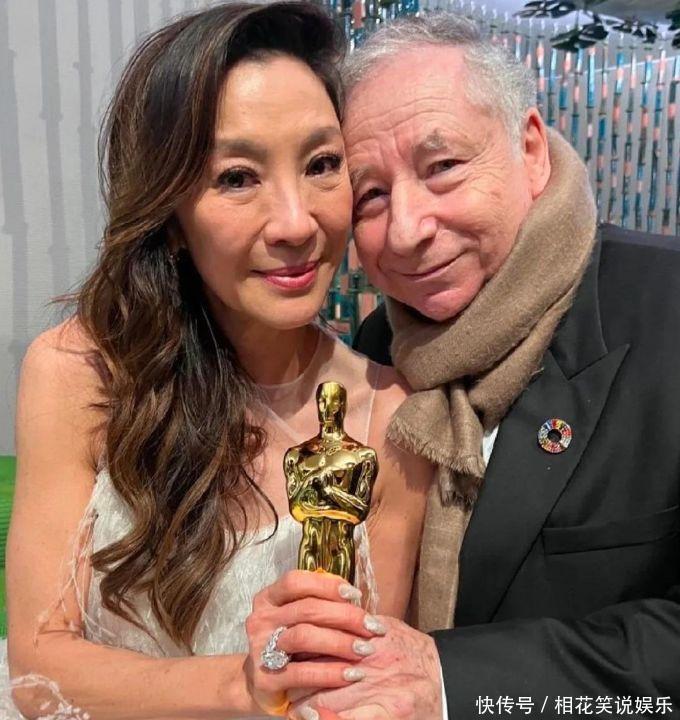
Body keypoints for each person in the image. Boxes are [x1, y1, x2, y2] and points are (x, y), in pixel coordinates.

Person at [1, 4, 432, 718]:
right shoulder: (79, 376)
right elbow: (38, 663)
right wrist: (240, 686)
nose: (296, 222)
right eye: (237, 177)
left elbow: (362, 682)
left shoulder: (391, 420)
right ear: (169, 213)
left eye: (322, 165)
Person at [259, 12, 680, 720]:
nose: (407, 230)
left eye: (443, 167)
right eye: (370, 195)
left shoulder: (665, 309)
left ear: (530, 150)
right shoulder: (380, 349)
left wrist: (452, 680)